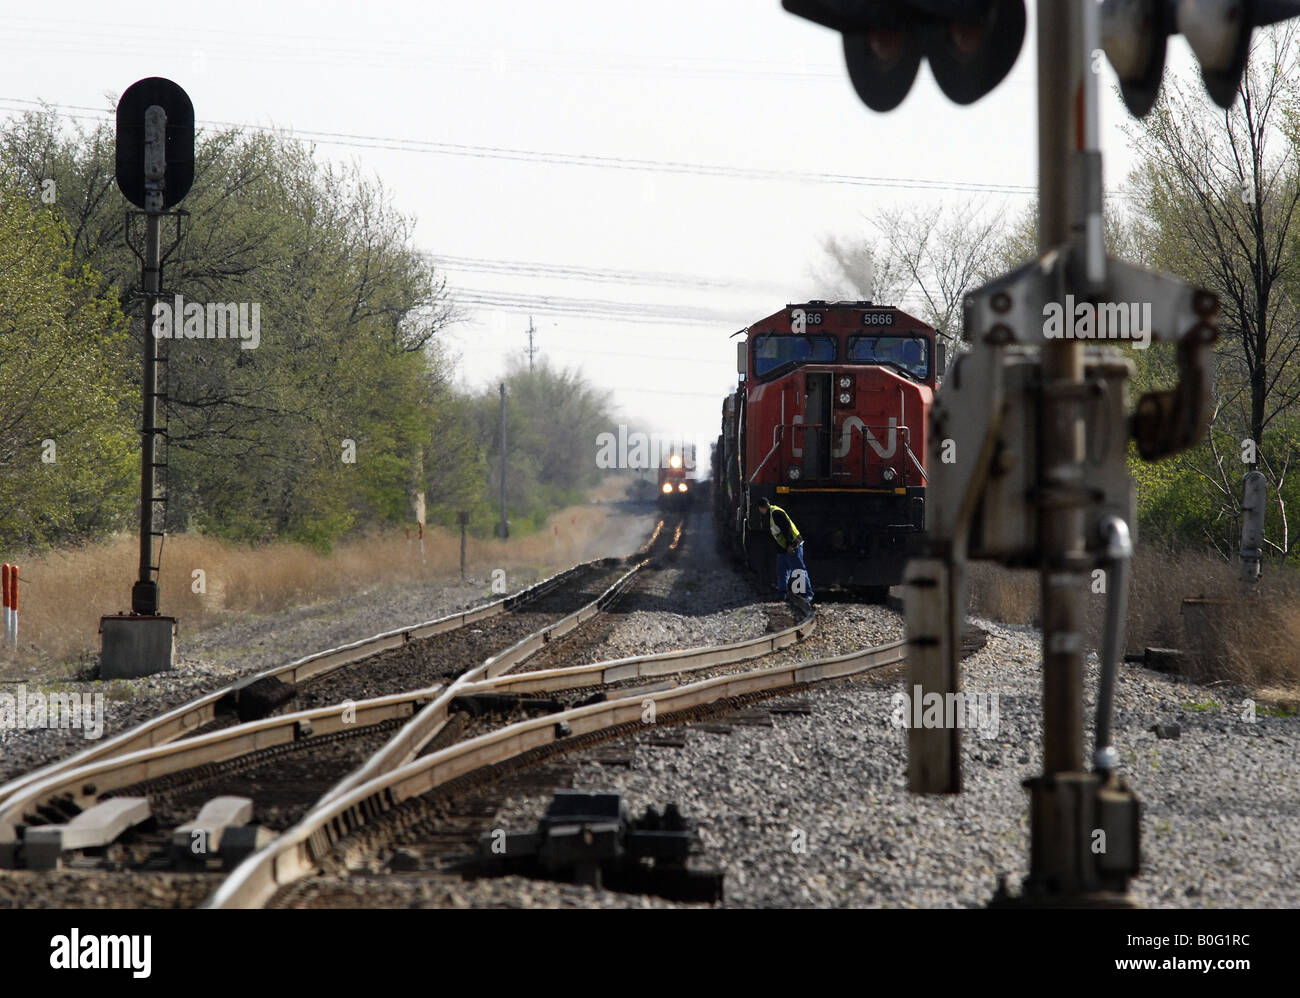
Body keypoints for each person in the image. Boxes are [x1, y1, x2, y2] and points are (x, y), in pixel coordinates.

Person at [756, 496, 814, 602]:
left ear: (761, 508)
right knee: (782, 571)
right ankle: (782, 594)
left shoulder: (776, 513)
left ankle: (806, 595)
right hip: (783, 547)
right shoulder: (770, 515)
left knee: (798, 569)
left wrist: (790, 545)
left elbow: (786, 529)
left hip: (793, 544)